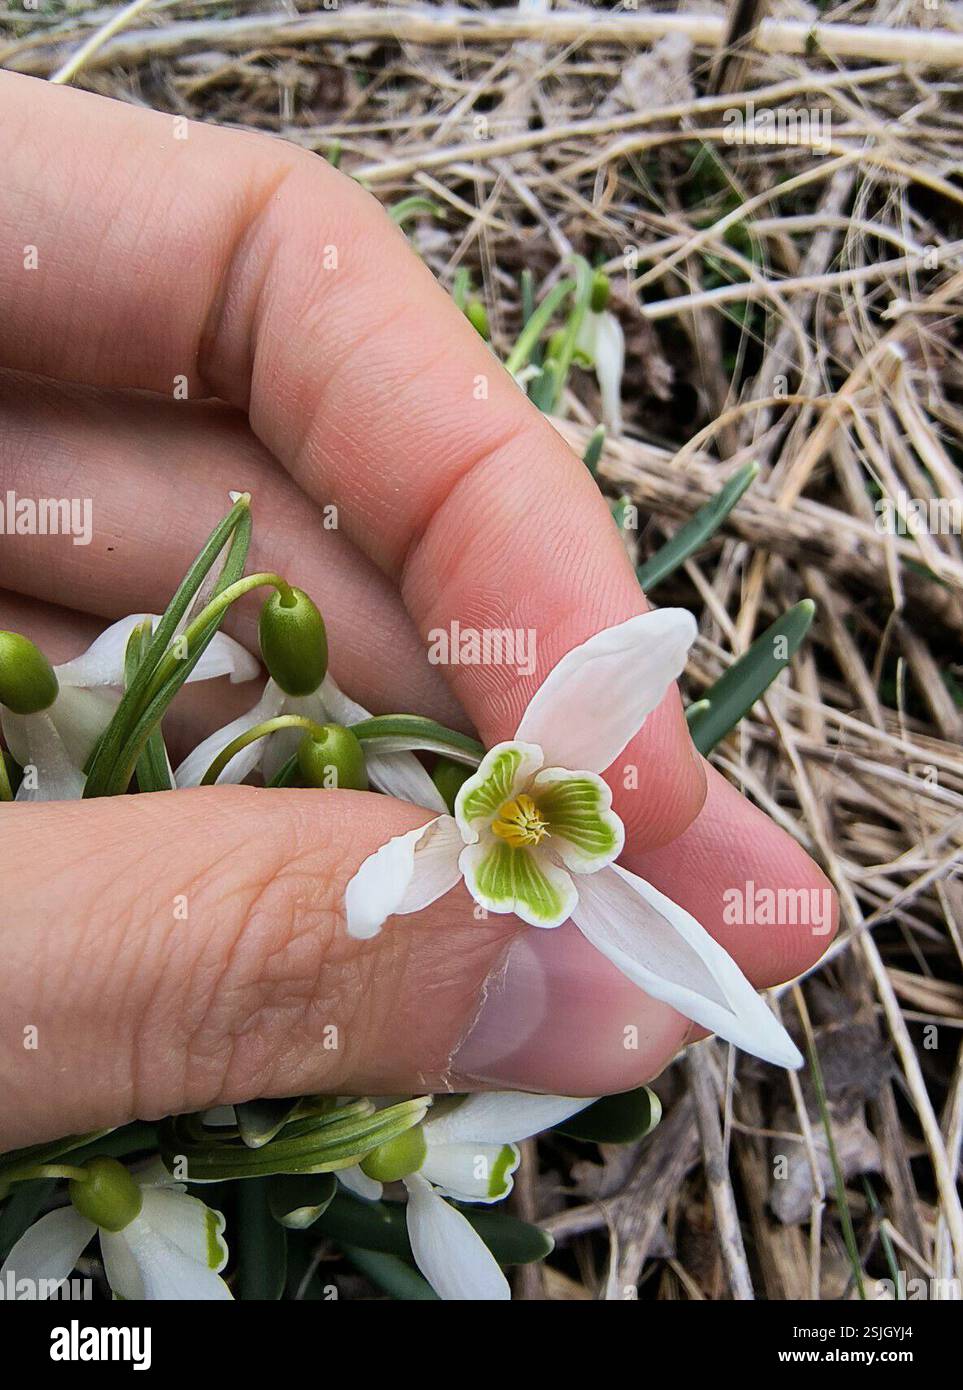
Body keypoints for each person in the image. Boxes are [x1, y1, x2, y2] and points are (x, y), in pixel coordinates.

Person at [0, 72, 836, 1153]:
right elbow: (375, 902)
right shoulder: (482, 814)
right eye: (517, 816)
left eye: (520, 822)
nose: (521, 820)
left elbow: (633, 666)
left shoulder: (511, 817)